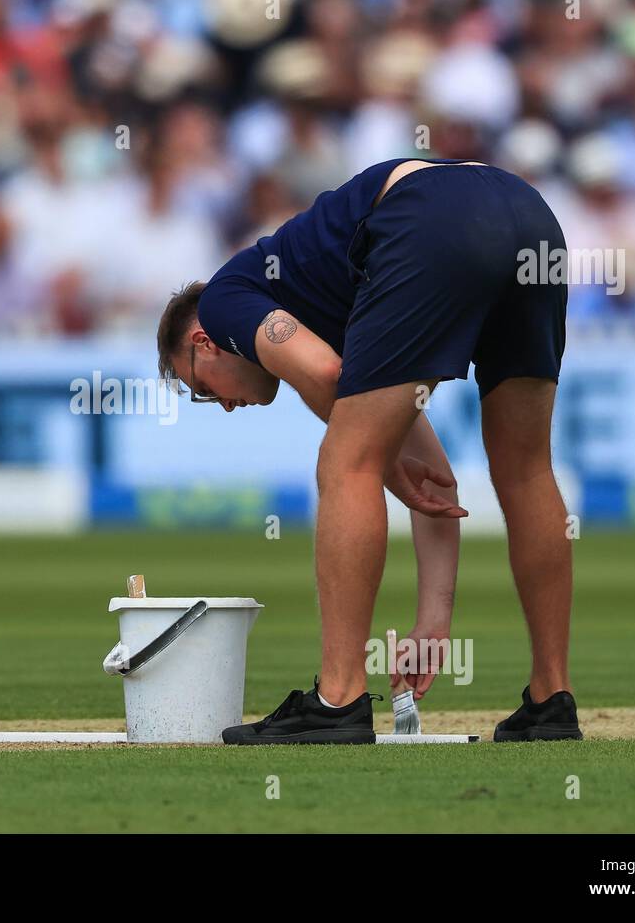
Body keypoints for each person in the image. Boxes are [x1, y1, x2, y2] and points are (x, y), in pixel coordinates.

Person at [155, 158, 582, 744]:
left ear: (204, 343)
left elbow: (326, 372)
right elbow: (436, 481)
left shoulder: (228, 298)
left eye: (204, 389)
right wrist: (434, 619)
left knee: (343, 461)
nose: (224, 405)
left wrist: (379, 463)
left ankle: (338, 698)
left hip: (432, 213)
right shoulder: (337, 306)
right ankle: (550, 700)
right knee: (527, 469)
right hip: (528, 214)